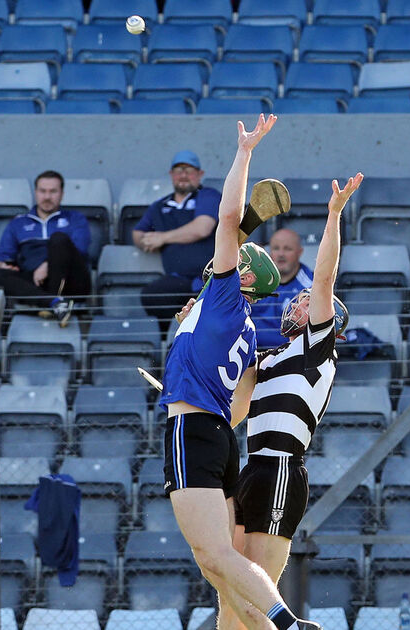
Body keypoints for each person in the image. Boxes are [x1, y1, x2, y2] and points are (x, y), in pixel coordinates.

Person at [160, 114, 318, 630]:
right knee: (221, 567)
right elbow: (240, 408)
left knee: (217, 559)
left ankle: (289, 624)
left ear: (245, 274)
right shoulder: (241, 326)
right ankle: (275, 626)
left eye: (235, 259)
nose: (221, 261)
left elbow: (230, 218)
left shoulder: (226, 295)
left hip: (195, 431)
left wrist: (244, 153)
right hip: (223, 438)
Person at [211, 173, 362, 630]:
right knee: (230, 594)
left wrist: (333, 214)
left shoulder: (317, 348)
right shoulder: (268, 356)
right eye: (297, 301)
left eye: (310, 303)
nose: (298, 303)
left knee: (259, 599)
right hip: (250, 469)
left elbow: (324, 277)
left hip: (280, 468)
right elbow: (234, 411)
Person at [0, 170, 91, 327]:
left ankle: (53, 301)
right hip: (36, 283)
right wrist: (1, 264)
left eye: (53, 191)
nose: (47, 197)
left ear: (62, 194)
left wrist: (47, 265)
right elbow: (2, 255)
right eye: (42, 191)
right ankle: (54, 303)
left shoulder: (75, 219)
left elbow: (80, 250)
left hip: (70, 282)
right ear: (36, 192)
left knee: (59, 239)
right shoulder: (18, 223)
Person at [135, 149, 221, 330]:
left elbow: (202, 228)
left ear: (200, 174)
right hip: (177, 282)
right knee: (152, 295)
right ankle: (170, 341)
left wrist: (162, 238)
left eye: (189, 170)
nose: (183, 175)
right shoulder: (160, 205)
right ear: (171, 175)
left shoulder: (208, 196)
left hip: (209, 280)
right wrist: (146, 241)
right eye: (178, 170)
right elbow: (138, 233)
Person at [251, 228, 312, 349]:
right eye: (276, 248)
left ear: (299, 252)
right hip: (252, 352)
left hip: (289, 355)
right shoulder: (253, 281)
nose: (281, 254)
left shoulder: (310, 286)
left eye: (287, 249)